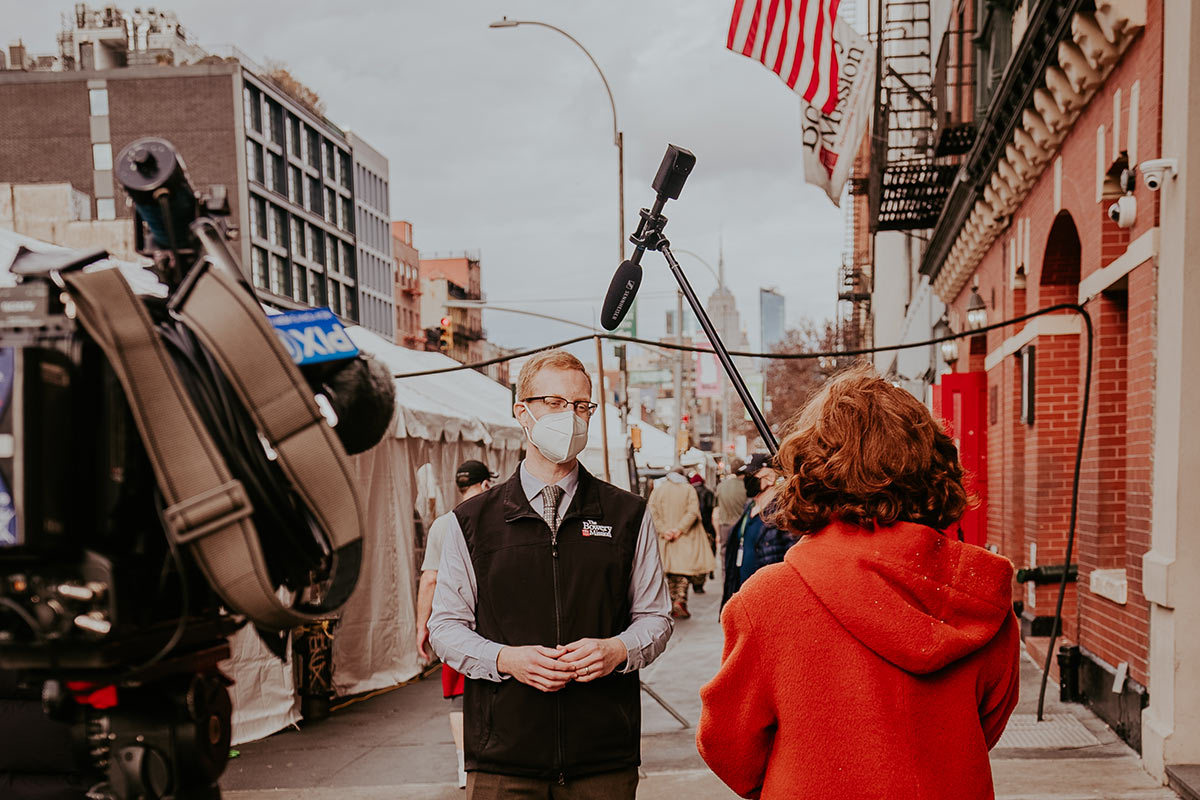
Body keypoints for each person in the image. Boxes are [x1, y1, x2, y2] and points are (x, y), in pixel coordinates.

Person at [697, 367, 1021, 799]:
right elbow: (987, 724)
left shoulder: (768, 601)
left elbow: (730, 747)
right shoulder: (978, 593)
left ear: (813, 471)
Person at [428, 349, 673, 799]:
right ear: (523, 412)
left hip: (602, 758)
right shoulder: (472, 521)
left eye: (581, 406)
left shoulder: (627, 515)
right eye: (556, 403)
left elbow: (656, 618)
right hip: (503, 759)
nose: (572, 416)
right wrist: (507, 660)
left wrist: (617, 649)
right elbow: (445, 627)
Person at [416, 458, 496, 789]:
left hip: (457, 621)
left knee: (459, 697)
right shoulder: (496, 518)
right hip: (493, 618)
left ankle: (466, 765)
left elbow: (430, 580)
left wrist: (423, 624)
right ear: (486, 484)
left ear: (458, 486)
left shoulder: (442, 524)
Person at [720, 453, 795, 608]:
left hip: (767, 597)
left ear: (770, 476)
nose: (747, 479)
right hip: (744, 592)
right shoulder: (749, 508)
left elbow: (791, 555)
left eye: (752, 475)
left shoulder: (782, 512)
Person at [649, 469, 717, 618]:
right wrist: (679, 530)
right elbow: (693, 511)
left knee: (671, 573)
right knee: (684, 572)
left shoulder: (658, 490)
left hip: (665, 539)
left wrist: (664, 530)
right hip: (685, 538)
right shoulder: (688, 489)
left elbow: (652, 512)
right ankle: (680, 600)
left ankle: (672, 601)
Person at [713, 459, 747, 563]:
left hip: (725, 527)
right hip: (742, 527)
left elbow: (715, 514)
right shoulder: (746, 486)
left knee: (725, 556)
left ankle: (725, 578)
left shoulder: (721, 486)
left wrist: (717, 534)